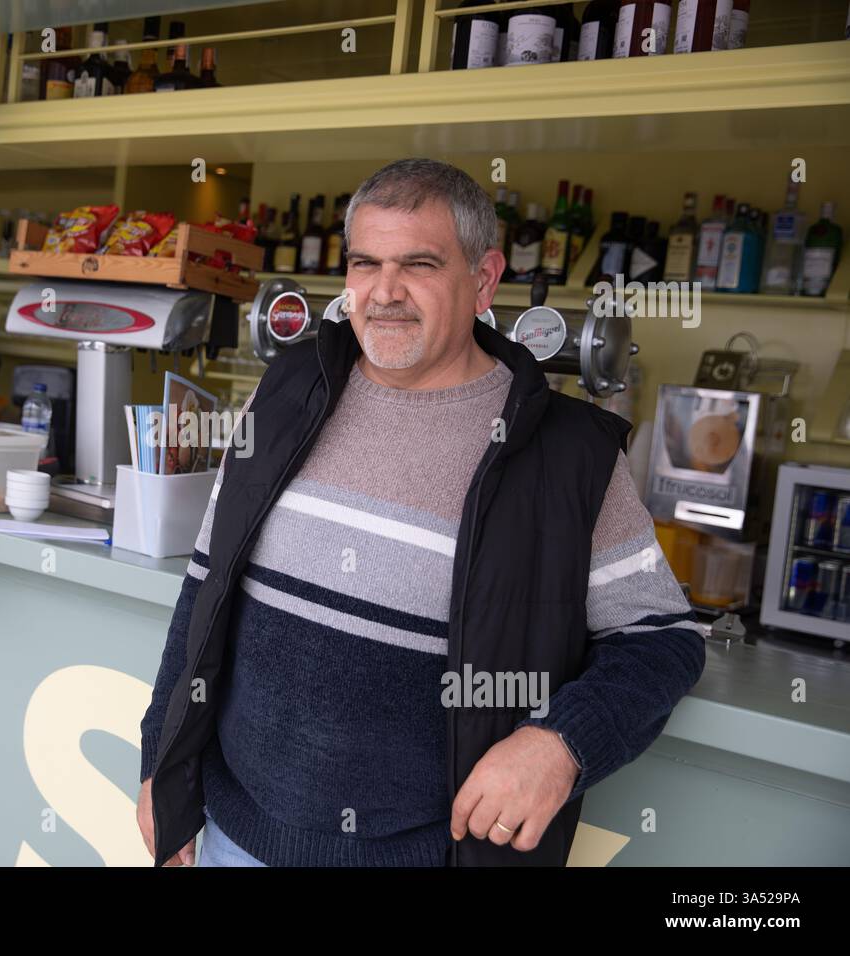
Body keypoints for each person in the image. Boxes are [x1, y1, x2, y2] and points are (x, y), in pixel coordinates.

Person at [136, 159, 706, 868]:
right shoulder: (281, 397)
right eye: (365, 262)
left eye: (420, 264)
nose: (384, 292)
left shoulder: (567, 455)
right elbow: (203, 590)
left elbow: (663, 638)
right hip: (234, 840)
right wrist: (162, 767)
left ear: (485, 279)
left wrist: (560, 743)